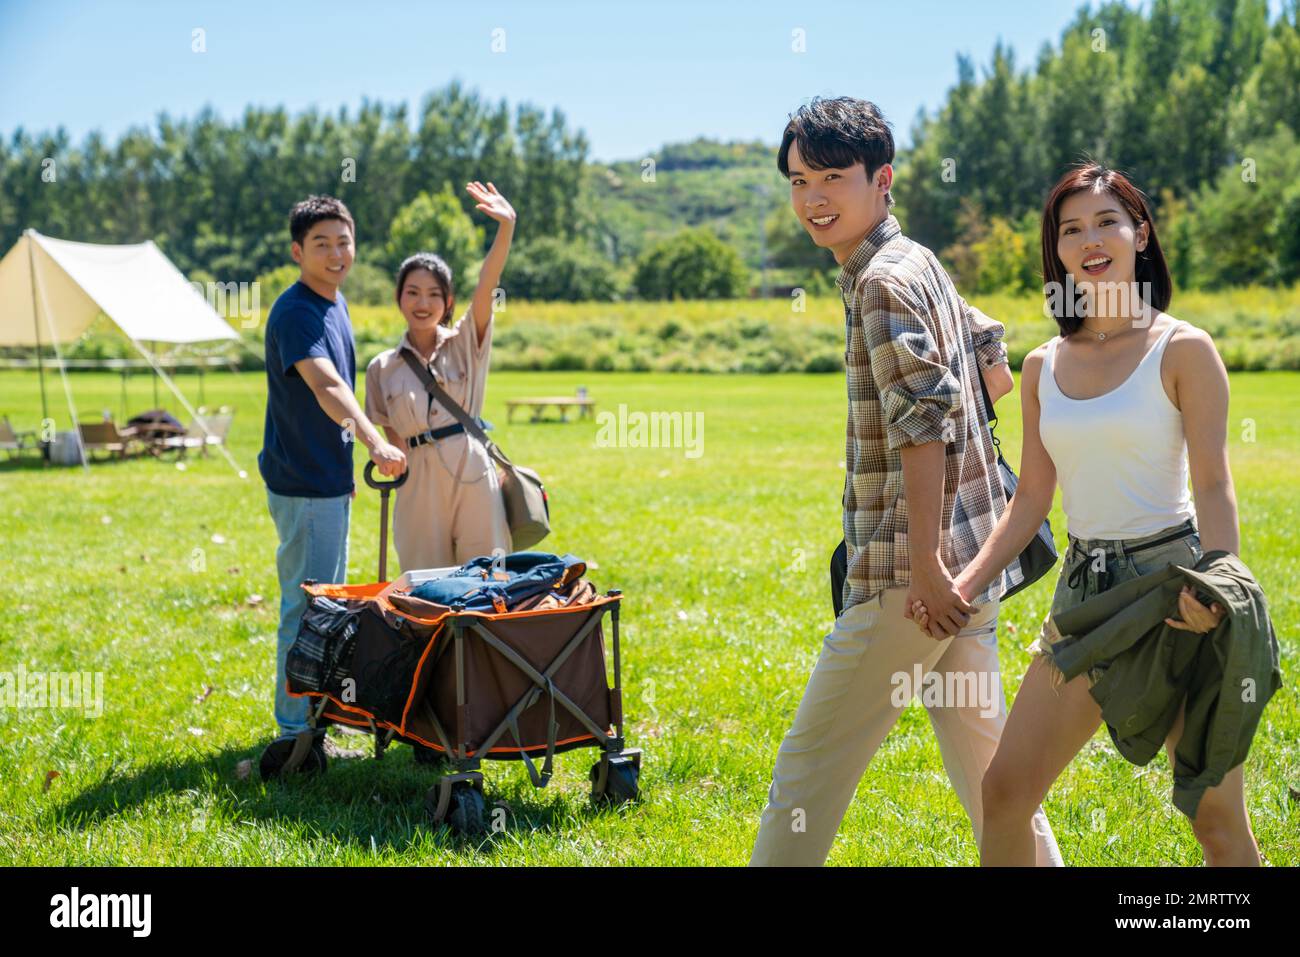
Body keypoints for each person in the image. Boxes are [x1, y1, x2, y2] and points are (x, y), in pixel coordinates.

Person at [909, 163, 1261, 866]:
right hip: (1084, 594)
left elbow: (1215, 484)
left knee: (1215, 818)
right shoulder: (1043, 366)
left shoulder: (1184, 349)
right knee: (1005, 792)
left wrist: (1215, 591)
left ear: (1140, 233)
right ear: (1057, 251)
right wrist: (965, 580)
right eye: (1071, 229)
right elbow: (1032, 499)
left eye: (1106, 221)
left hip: (1176, 589)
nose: (1090, 239)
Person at [748, 97, 1062, 866]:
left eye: (831, 177)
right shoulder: (914, 259)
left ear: (880, 179)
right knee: (993, 779)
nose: (813, 199)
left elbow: (924, 427)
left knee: (806, 772)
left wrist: (925, 563)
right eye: (797, 181)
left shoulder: (882, 282)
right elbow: (991, 356)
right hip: (973, 564)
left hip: (912, 581)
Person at [259, 195, 407, 745]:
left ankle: (316, 714)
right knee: (306, 608)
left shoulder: (333, 304)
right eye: (321, 243)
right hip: (305, 485)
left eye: (343, 241)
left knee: (325, 604)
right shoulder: (298, 311)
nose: (335, 252)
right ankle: (294, 731)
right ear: (298, 251)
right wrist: (373, 440)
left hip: (326, 483)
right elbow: (326, 385)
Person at [364, 182, 516, 573]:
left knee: (485, 581)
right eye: (412, 292)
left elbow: (487, 284)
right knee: (424, 584)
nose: (422, 303)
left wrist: (506, 227)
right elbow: (389, 438)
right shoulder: (382, 367)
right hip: (417, 486)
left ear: (448, 302)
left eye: (434, 294)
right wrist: (386, 459)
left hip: (471, 471)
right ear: (399, 298)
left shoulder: (467, 343)